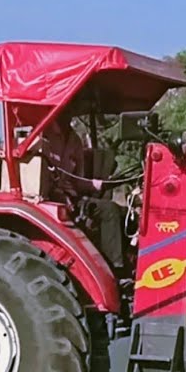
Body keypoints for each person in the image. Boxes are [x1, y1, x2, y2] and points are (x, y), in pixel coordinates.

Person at [41, 109, 127, 272]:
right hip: (48, 198)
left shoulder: (74, 139)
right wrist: (59, 193)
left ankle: (121, 264)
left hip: (71, 198)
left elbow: (77, 180)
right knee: (109, 210)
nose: (69, 112)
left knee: (116, 210)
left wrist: (97, 184)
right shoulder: (44, 134)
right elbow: (38, 173)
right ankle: (114, 270)